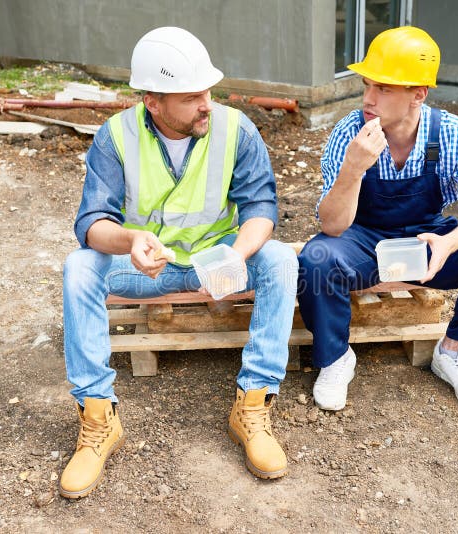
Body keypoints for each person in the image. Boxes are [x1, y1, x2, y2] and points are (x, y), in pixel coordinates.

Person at [59, 26, 298, 498]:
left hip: (218, 262)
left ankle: (252, 404)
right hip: (150, 267)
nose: (206, 104)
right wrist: (130, 240)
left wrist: (236, 254)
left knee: (279, 261)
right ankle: (98, 417)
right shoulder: (115, 137)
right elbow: (90, 224)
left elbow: (261, 210)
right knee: (79, 267)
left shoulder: (236, 129)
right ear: (154, 102)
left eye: (206, 92)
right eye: (191, 98)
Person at [297, 26, 458, 412]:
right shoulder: (348, 133)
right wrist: (353, 169)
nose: (368, 98)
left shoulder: (451, 134)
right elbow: (333, 226)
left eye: (384, 89)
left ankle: (452, 351)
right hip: (362, 241)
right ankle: (336, 359)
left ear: (418, 94)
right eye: (367, 85)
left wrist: (448, 243)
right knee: (315, 259)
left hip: (427, 241)